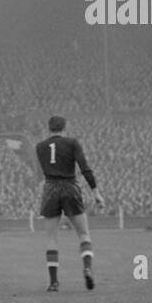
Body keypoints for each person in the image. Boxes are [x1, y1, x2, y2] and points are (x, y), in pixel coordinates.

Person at [35, 116, 104, 292]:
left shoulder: (40, 146)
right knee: (83, 234)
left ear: (49, 128)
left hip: (50, 188)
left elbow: (43, 170)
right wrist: (96, 192)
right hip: (70, 187)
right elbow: (84, 167)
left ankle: (53, 282)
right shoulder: (72, 143)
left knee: (51, 238)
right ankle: (87, 267)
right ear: (64, 127)